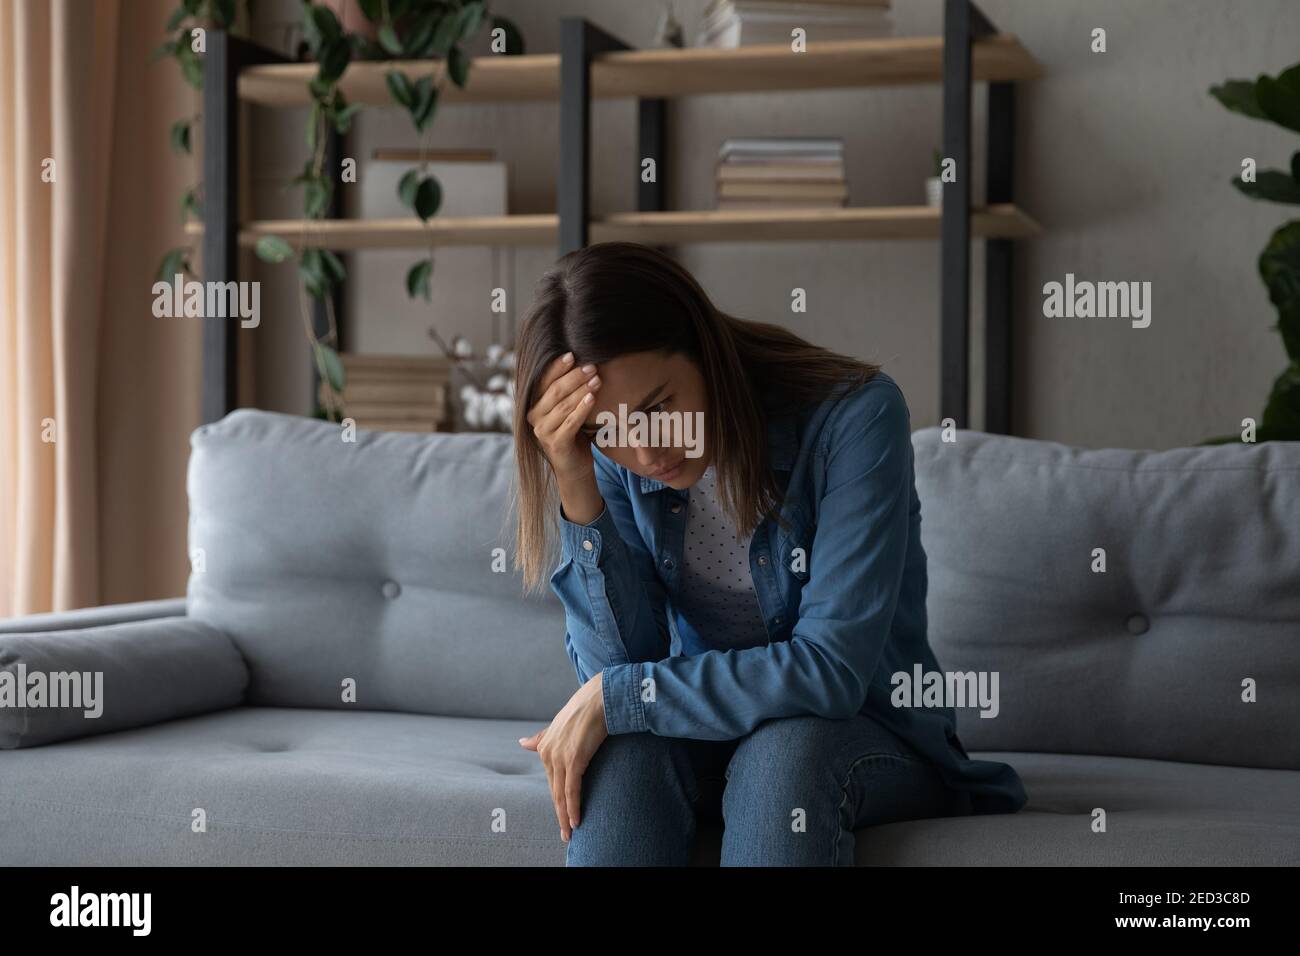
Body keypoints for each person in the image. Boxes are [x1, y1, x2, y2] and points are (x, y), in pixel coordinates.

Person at [511, 241, 1026, 866]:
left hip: (868, 732)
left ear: (703, 346)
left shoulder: (855, 419)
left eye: (658, 409)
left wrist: (618, 695)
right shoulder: (613, 459)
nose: (644, 453)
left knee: (781, 755)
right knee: (621, 756)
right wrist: (575, 481)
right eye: (603, 432)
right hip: (712, 735)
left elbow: (831, 672)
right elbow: (621, 662)